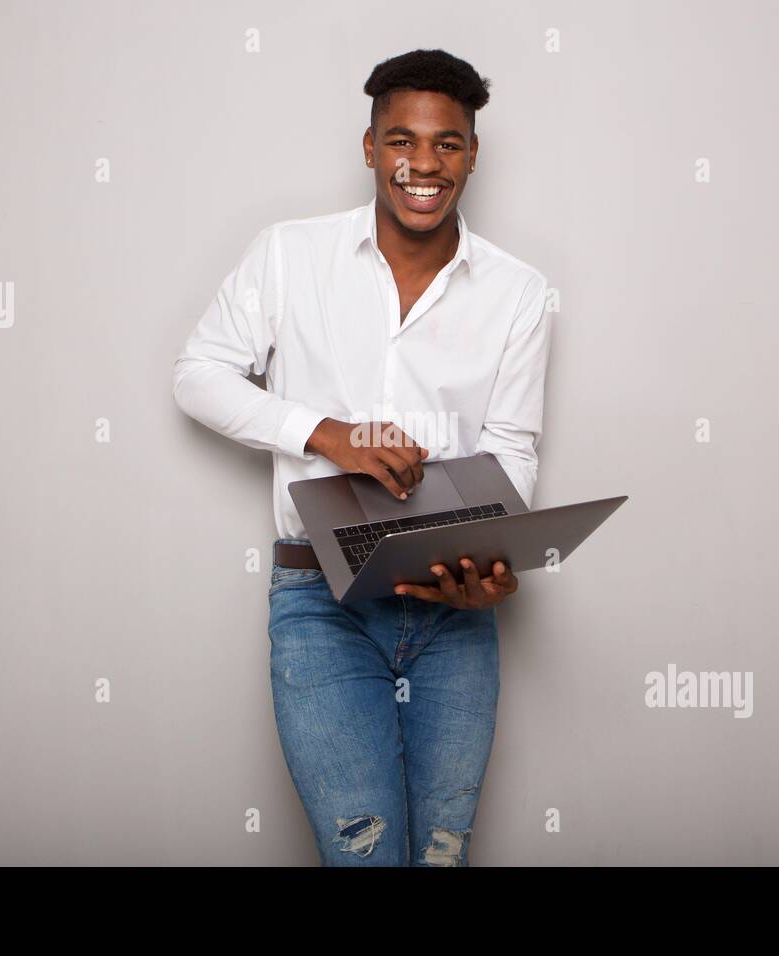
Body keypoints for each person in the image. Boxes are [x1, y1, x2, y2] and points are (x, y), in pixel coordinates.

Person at [172, 48, 551, 866]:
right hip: (320, 602)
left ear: (473, 154)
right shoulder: (288, 254)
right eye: (403, 140)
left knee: (443, 856)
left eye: (447, 143)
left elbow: (512, 450)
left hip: (455, 612)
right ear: (370, 146)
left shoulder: (520, 292)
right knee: (366, 857)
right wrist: (327, 433)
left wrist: (493, 556)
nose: (424, 164)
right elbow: (197, 376)